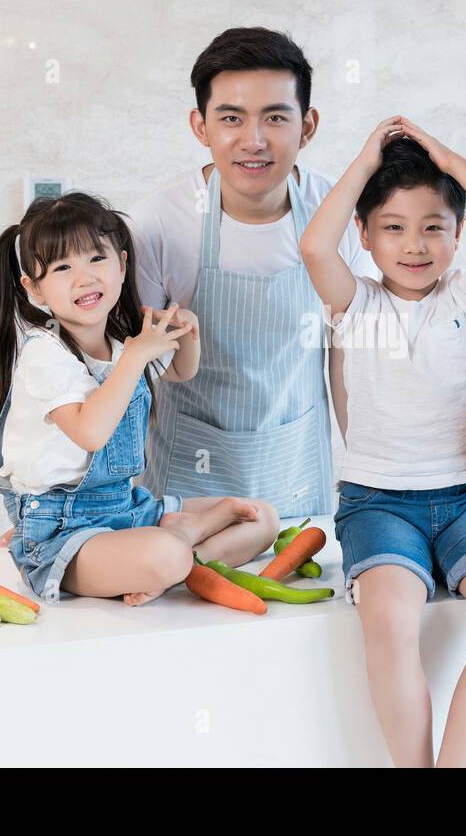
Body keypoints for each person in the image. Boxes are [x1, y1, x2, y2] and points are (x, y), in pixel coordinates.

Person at [300, 117, 466, 767]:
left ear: (458, 233)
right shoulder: (359, 305)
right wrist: (364, 157)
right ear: (366, 235)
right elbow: (313, 248)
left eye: (434, 225)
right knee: (389, 618)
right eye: (394, 227)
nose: (415, 243)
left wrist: (446, 156)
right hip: (378, 504)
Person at [0, 193, 280, 605]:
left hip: (124, 508)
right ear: (35, 289)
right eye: (63, 267)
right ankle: (176, 550)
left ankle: (179, 554)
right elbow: (90, 432)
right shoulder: (45, 354)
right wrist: (139, 353)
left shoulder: (120, 347)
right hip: (64, 529)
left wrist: (185, 330)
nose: (84, 277)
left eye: (96, 260)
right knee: (166, 552)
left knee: (263, 516)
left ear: (121, 265)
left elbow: (179, 371)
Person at [129, 27, 375, 518]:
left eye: (275, 118)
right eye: (232, 118)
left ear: (307, 127)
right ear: (201, 127)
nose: (253, 141)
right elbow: (137, 375)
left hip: (300, 472)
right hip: (186, 484)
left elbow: (350, 360)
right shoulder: (157, 222)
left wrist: (375, 480)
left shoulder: (340, 213)